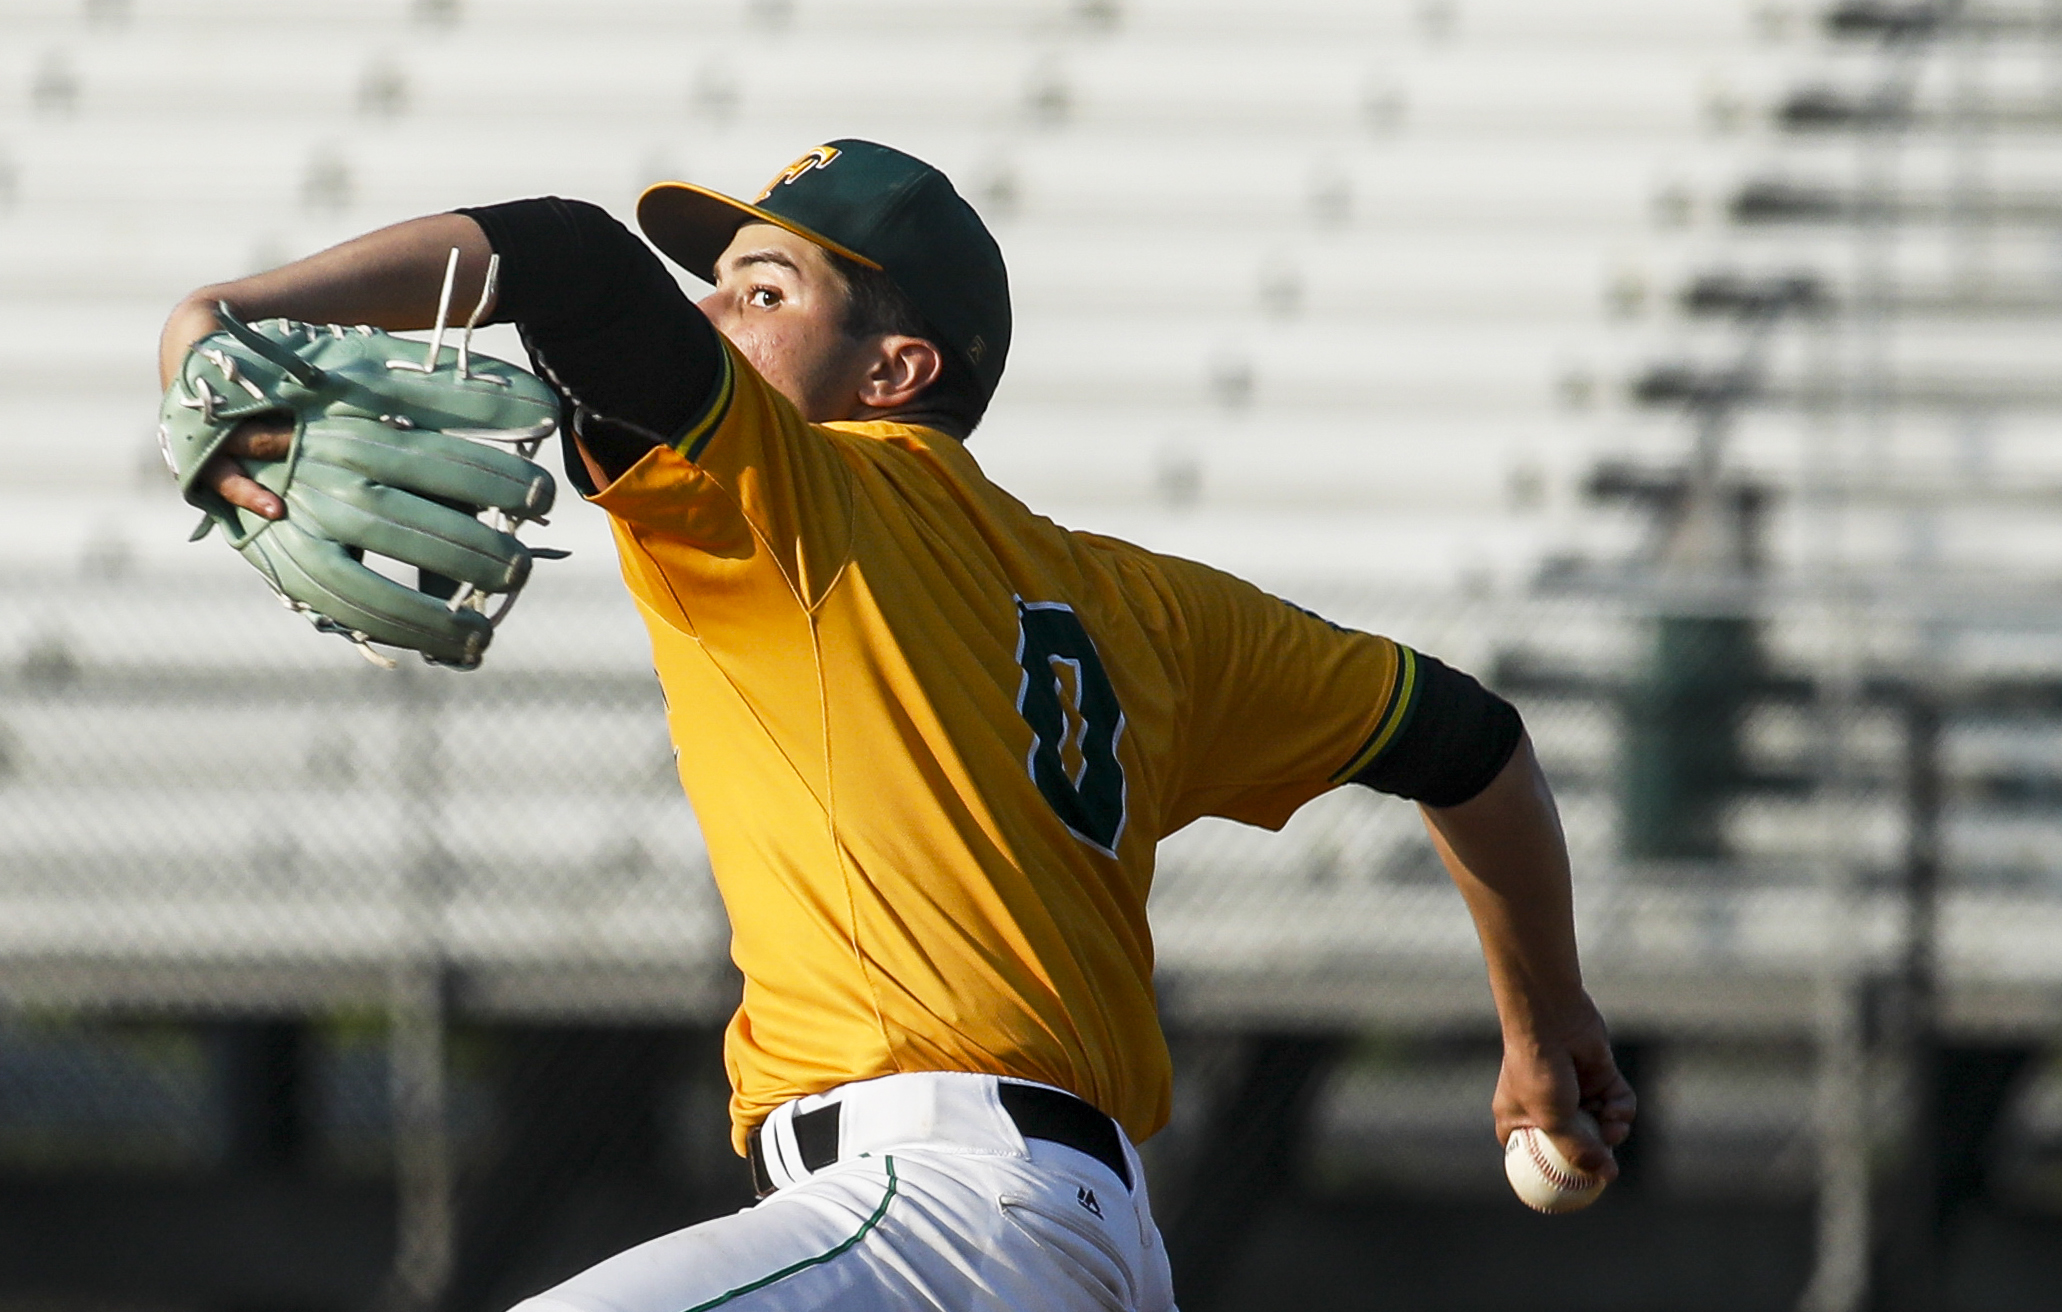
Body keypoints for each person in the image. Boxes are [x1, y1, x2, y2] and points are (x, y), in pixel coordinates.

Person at [159, 139, 1634, 1312]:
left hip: (937, 1218)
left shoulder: (791, 498)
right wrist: (1545, 1025)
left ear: (894, 373)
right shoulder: (1154, 610)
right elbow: (1467, 744)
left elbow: (569, 257)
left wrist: (224, 312)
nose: (709, 315)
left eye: (762, 291)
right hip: (1078, 1241)